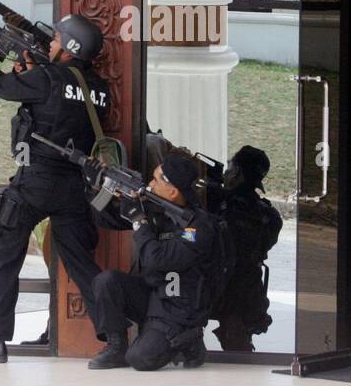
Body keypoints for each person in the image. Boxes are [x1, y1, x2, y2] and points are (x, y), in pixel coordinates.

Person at [0, 13, 111, 363]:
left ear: (71, 46)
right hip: (75, 188)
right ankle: (115, 335)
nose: (52, 43)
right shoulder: (99, 88)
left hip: (35, 182)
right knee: (80, 263)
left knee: (3, 256)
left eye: (57, 39)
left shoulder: (46, 77)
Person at [89, 150, 226, 371]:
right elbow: (106, 220)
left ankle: (189, 339)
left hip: (179, 307)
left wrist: (139, 221)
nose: (149, 184)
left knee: (140, 359)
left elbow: (157, 260)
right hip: (152, 294)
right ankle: (115, 348)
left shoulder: (197, 228)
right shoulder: (156, 209)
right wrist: (96, 185)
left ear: (172, 192)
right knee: (107, 281)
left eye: (155, 179)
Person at [211, 146, 282, 352]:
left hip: (223, 284)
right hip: (248, 287)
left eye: (230, 166)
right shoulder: (268, 214)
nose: (226, 172)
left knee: (234, 341)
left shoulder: (220, 202)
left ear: (237, 172)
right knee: (237, 340)